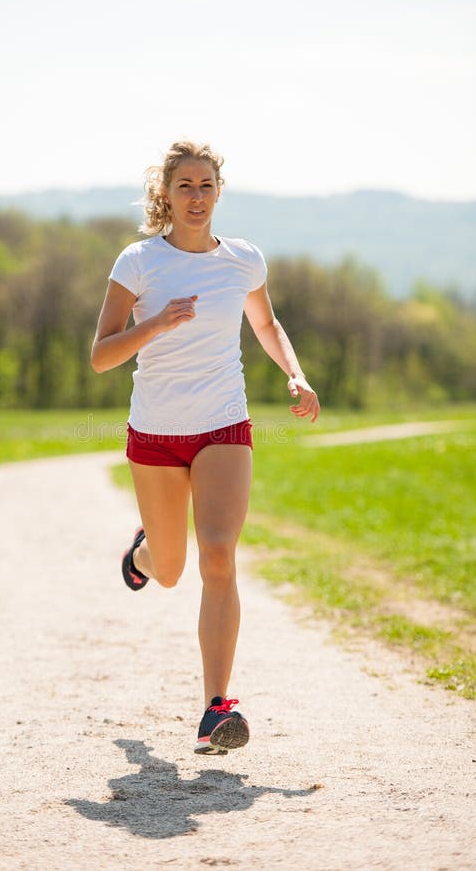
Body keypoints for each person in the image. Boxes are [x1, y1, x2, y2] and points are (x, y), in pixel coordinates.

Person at [91, 140, 319, 755]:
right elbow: (101, 355)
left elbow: (266, 324)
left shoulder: (243, 260)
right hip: (156, 433)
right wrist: (156, 323)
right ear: (165, 194)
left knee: (218, 555)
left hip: (224, 425)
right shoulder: (139, 261)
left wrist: (294, 374)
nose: (196, 196)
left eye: (206, 185)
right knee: (169, 571)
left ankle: (216, 707)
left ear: (220, 192)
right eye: (185, 186)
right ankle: (142, 555)